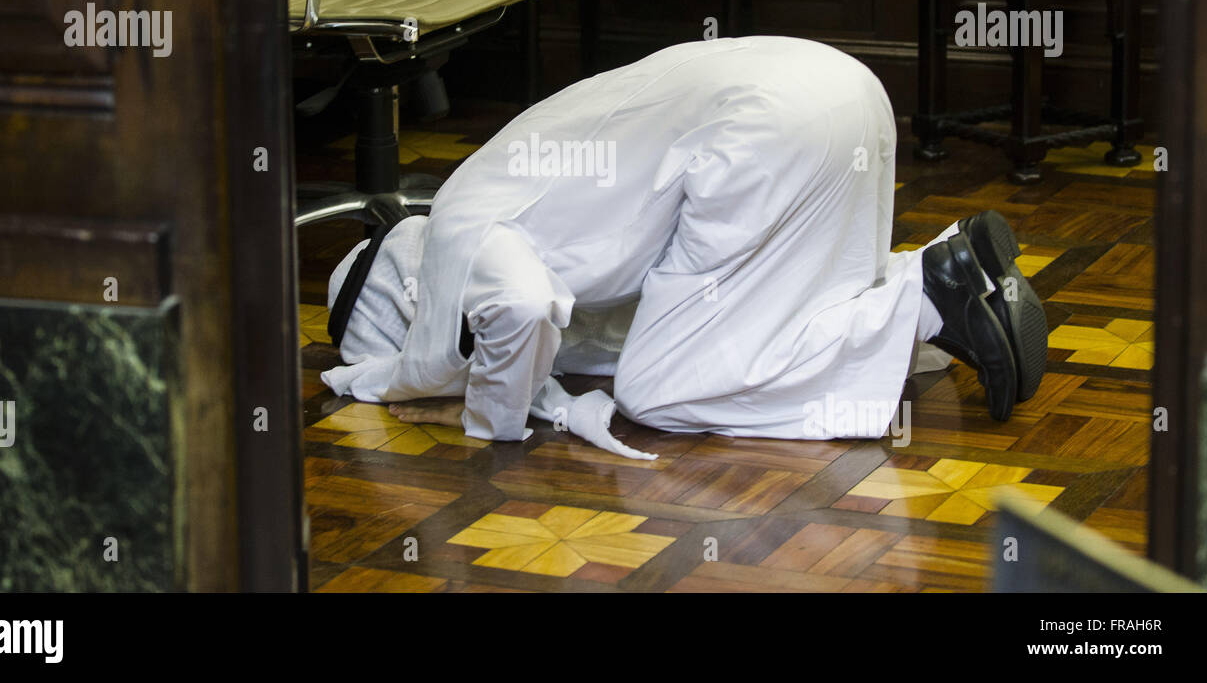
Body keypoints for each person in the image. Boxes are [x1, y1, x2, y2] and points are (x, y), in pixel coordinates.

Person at [320, 36, 1048, 460]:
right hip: (845, 86)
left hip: (764, 136)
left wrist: (483, 418)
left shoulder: (457, 227)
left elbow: (521, 305)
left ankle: (922, 303)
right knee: (799, 293)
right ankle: (941, 268)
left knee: (655, 387)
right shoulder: (492, 176)